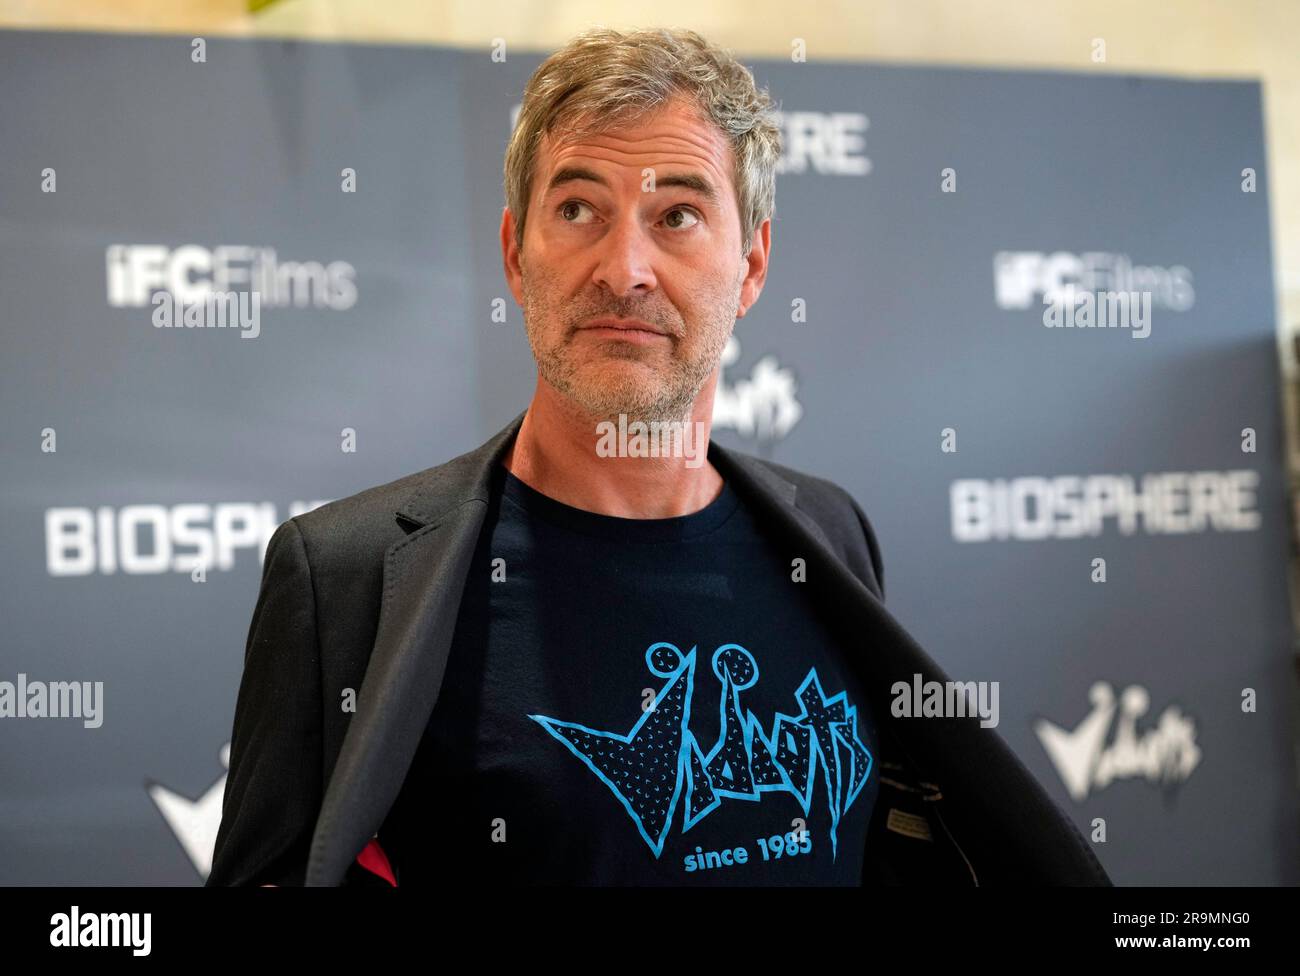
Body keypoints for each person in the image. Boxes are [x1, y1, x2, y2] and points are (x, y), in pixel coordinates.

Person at [207, 26, 1110, 887]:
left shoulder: (829, 534)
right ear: (516, 256)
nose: (624, 268)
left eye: (677, 212)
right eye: (577, 208)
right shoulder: (347, 579)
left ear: (752, 265)